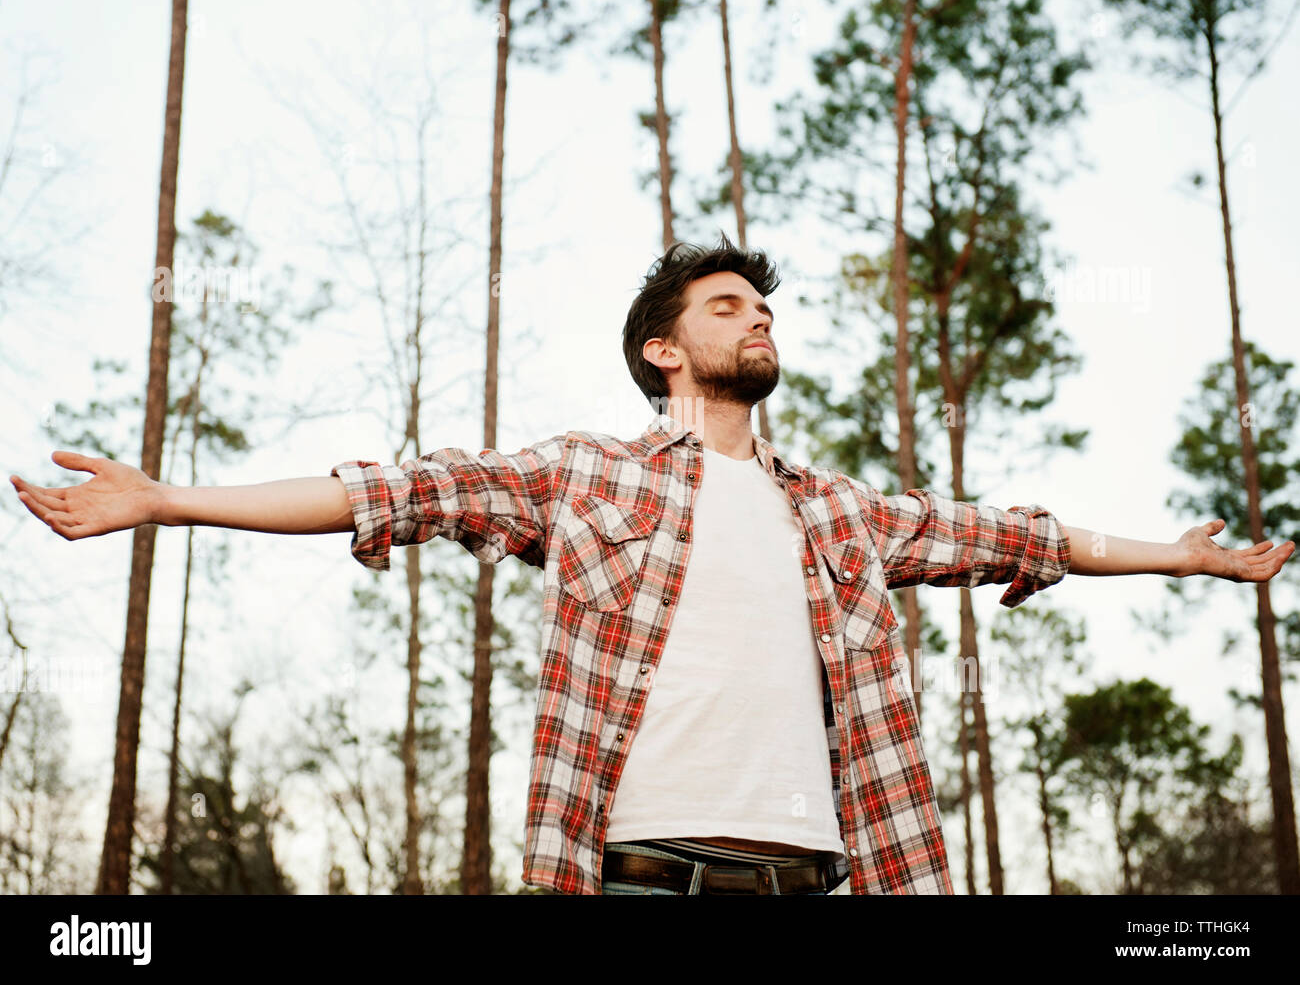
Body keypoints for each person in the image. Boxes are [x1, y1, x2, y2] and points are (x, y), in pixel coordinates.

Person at [10, 233, 1294, 895]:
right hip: (640, 868)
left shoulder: (839, 513)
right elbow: (390, 491)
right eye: (728, 305)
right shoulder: (589, 477)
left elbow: (1024, 537)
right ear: (664, 351)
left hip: (816, 871)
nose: (760, 318)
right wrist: (168, 496)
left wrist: (1182, 560)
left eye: (764, 306)